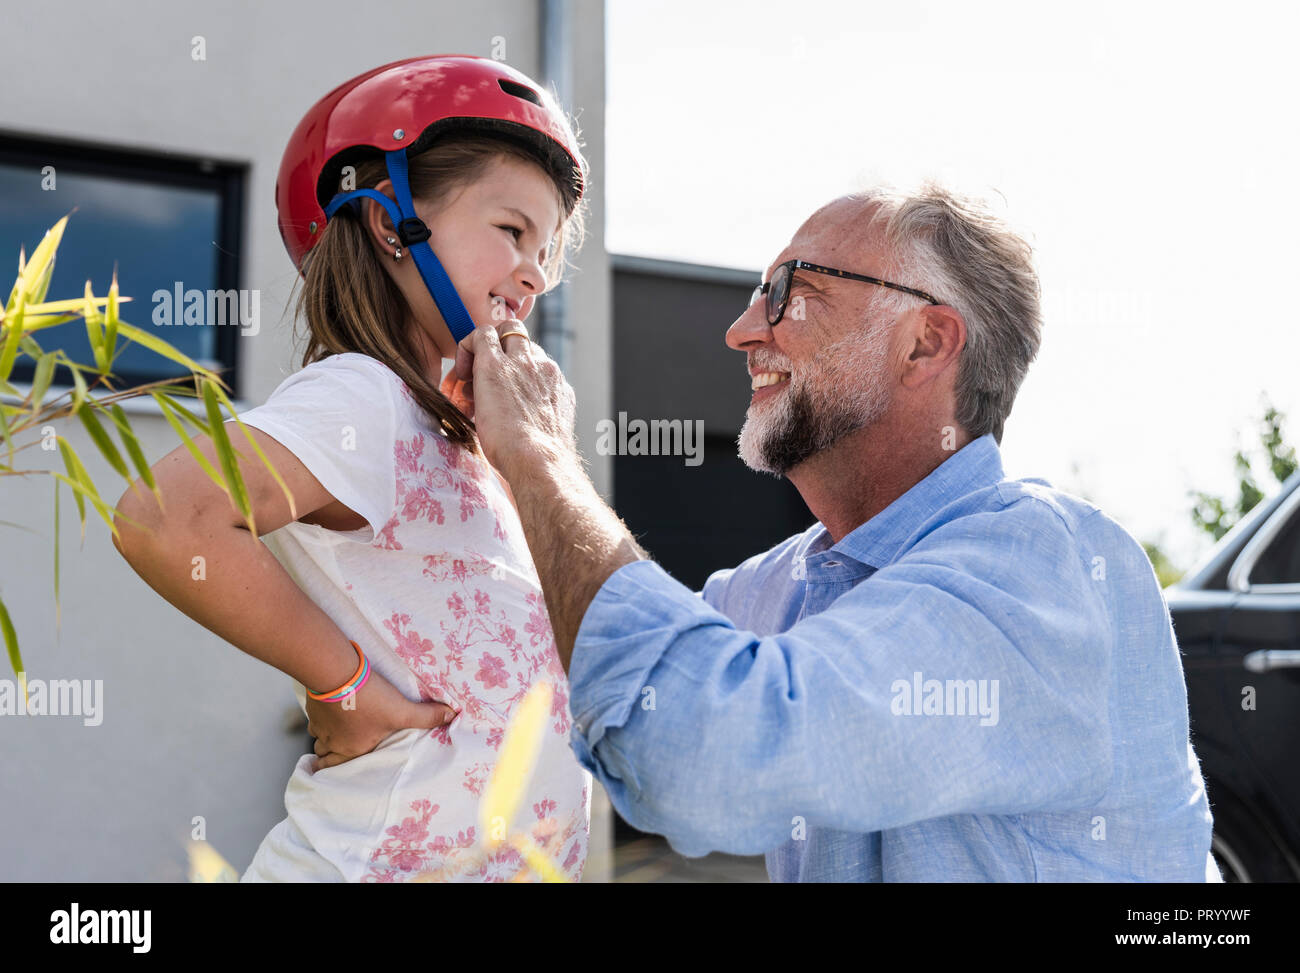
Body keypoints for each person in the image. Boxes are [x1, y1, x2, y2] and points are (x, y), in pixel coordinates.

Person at [413, 183, 1220, 882]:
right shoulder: (774, 589)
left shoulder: (1045, 568)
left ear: (925, 341)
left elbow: (706, 754)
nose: (740, 330)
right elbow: (587, 680)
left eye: (790, 290)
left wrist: (543, 457)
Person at [112, 55, 592, 882]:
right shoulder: (366, 395)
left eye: (546, 250)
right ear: (387, 221)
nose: (536, 271)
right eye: (512, 231)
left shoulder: (459, 437)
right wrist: (344, 685)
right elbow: (164, 516)